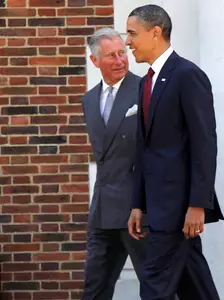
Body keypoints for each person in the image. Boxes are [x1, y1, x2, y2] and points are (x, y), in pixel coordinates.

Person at [125, 4, 224, 300]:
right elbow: (145, 149)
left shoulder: (187, 75)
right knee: (195, 286)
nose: (128, 41)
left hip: (179, 207)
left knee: (154, 285)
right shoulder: (146, 82)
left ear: (155, 33)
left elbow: (204, 143)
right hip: (158, 208)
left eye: (132, 33)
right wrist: (138, 203)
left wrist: (198, 205)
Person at [81, 28, 148, 300]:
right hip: (102, 209)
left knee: (156, 286)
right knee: (94, 287)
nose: (120, 60)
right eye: (111, 56)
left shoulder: (146, 89)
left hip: (139, 209)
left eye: (123, 53)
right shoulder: (88, 100)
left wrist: (141, 204)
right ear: (95, 61)